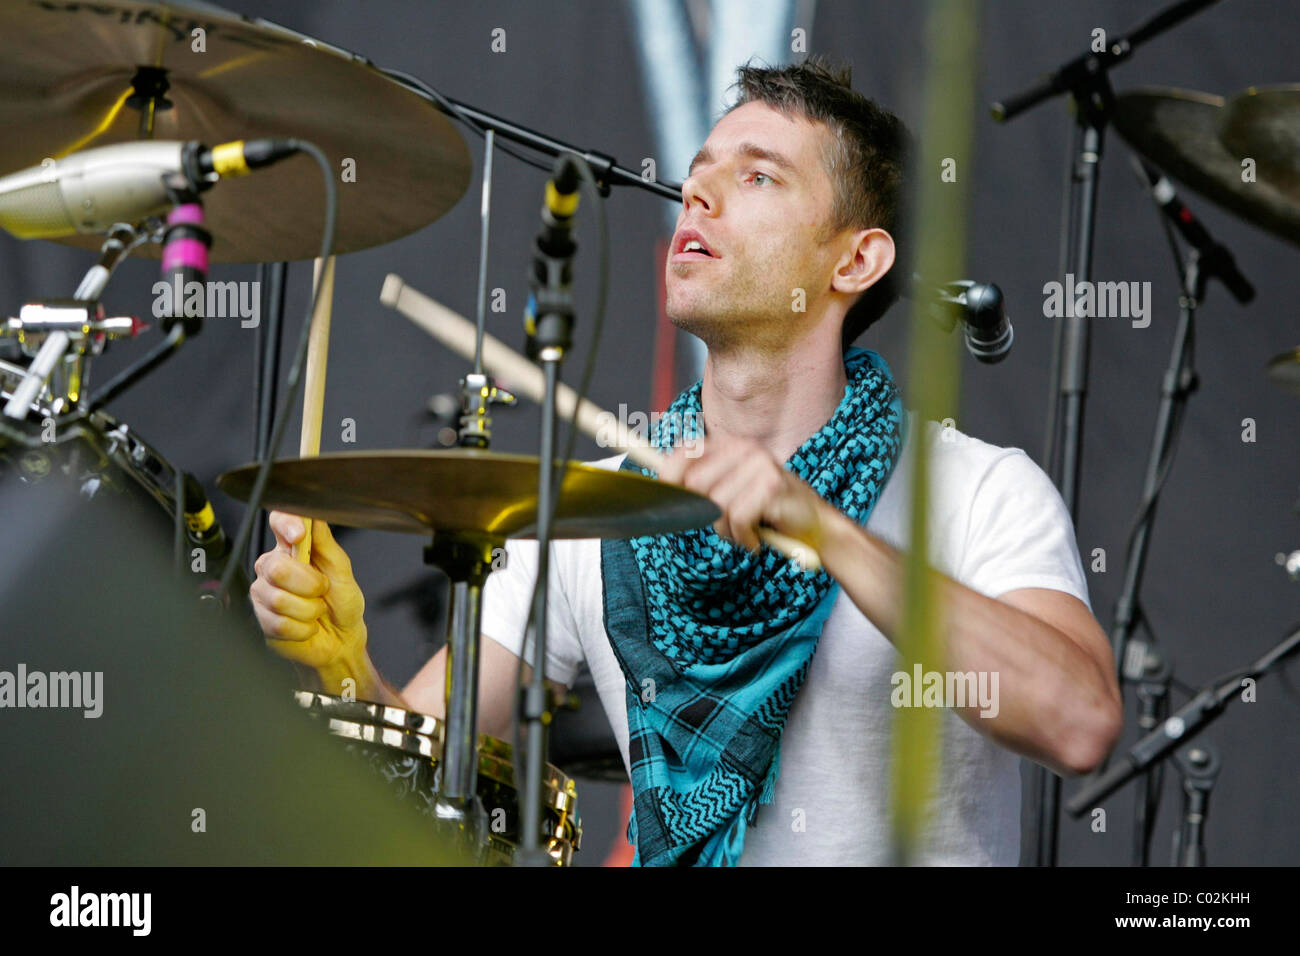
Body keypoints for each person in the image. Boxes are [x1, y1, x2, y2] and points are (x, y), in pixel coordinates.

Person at [250, 57, 1122, 866]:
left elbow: (1079, 723)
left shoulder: (974, 492)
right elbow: (423, 777)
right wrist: (345, 664)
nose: (698, 192)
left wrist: (828, 532)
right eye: (700, 170)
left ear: (857, 259)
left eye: (756, 175)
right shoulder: (595, 513)